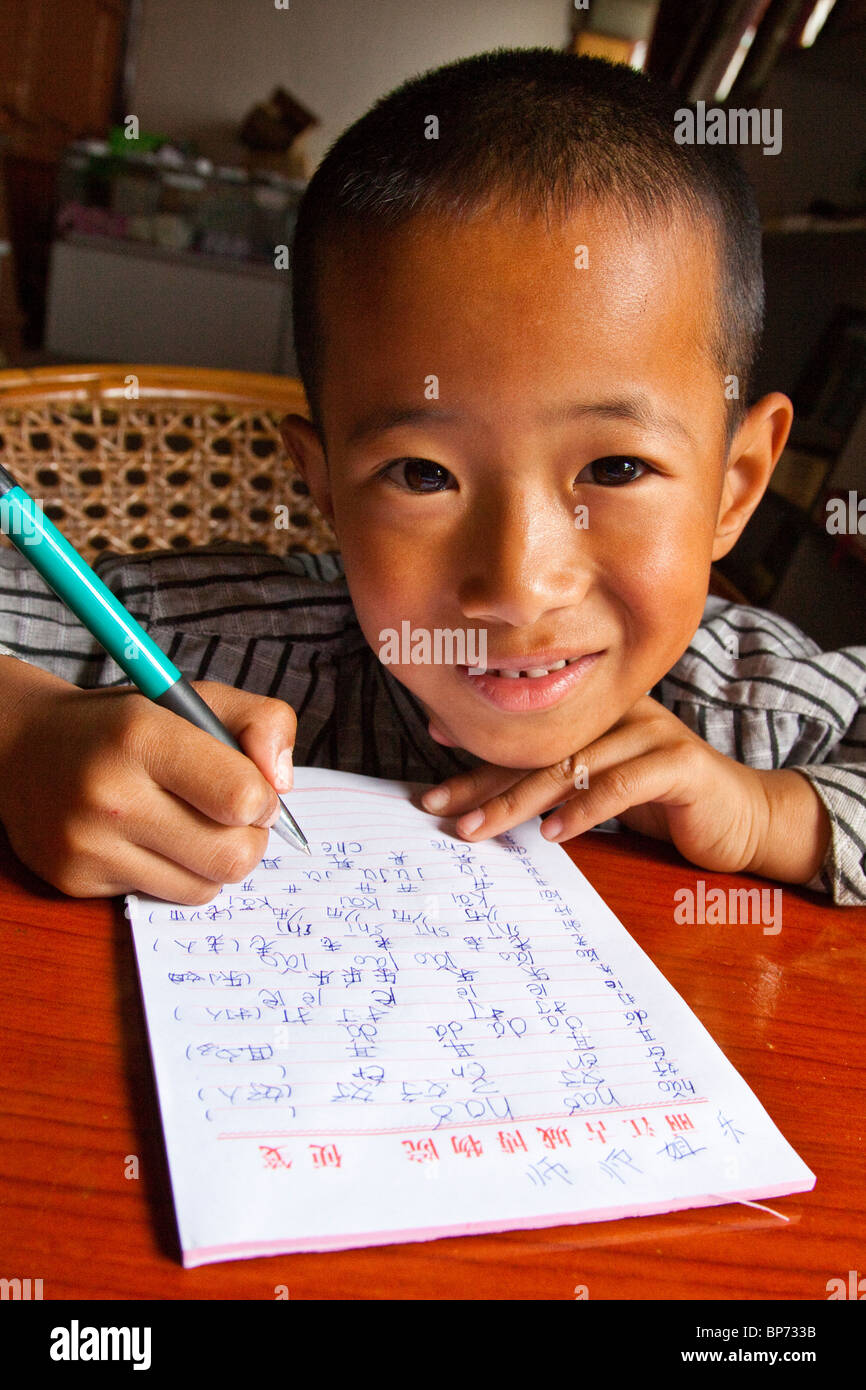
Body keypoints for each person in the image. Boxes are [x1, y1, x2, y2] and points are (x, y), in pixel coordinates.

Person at [0, 49, 863, 905]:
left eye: (616, 467)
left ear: (736, 485)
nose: (520, 590)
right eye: (422, 474)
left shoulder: (755, 702)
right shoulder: (214, 648)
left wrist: (771, 816)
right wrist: (18, 736)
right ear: (325, 486)